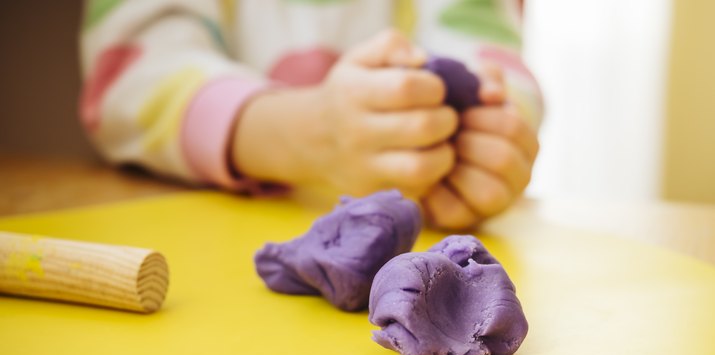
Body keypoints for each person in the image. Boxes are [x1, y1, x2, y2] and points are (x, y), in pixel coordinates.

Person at [79, 0, 542, 230]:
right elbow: (132, 76)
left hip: (429, 225)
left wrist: (491, 136)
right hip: (185, 227)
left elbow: (491, 52)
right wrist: (303, 133)